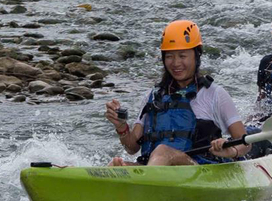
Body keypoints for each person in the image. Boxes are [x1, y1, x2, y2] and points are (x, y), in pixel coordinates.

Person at [105, 20, 249, 166]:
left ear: (196, 55)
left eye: (182, 55)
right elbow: (132, 147)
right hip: (155, 170)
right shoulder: (153, 96)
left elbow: (245, 143)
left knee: (163, 152)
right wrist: (121, 126)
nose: (176, 63)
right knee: (115, 166)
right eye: (169, 56)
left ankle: (148, 181)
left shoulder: (215, 94)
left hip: (199, 169)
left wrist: (231, 151)